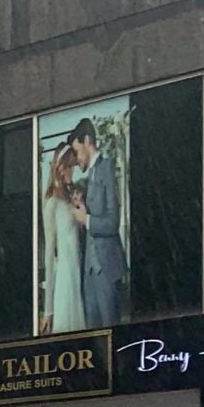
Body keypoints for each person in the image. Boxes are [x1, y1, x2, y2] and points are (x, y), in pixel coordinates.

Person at [72, 120, 127, 327]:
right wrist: (82, 207)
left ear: (87, 141)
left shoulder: (107, 168)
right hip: (90, 273)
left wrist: (85, 219)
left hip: (106, 268)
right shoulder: (91, 176)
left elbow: (112, 223)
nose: (77, 160)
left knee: (111, 335)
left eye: (77, 152)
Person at [42, 138, 86, 335]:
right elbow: (49, 255)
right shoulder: (52, 203)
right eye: (69, 166)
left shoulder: (70, 197)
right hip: (66, 277)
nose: (73, 170)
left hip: (79, 272)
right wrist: (48, 309)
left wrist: (79, 207)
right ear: (60, 168)